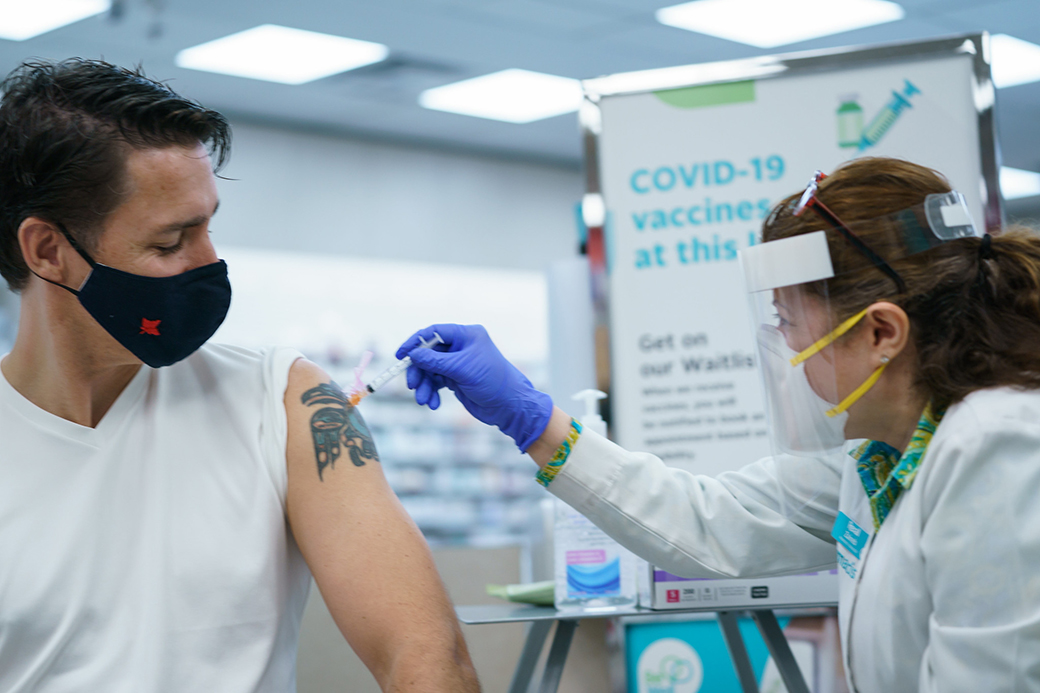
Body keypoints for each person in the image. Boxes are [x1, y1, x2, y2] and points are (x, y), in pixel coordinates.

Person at [399, 157, 1040, 692]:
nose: (787, 352)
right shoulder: (878, 457)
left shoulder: (994, 450)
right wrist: (531, 418)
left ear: (880, 332)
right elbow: (709, 518)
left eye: (790, 325)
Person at [0, 59, 479, 691]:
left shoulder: (281, 402)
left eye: (208, 227)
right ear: (48, 251)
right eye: (170, 243)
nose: (209, 263)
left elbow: (425, 658)